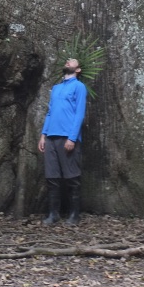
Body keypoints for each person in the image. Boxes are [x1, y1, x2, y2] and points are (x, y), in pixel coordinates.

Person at [38, 57, 87, 225]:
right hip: (51, 136)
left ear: (78, 70)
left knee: (72, 177)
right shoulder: (56, 88)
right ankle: (53, 214)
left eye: (72, 61)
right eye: (67, 60)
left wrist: (72, 138)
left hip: (67, 137)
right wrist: (43, 135)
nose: (68, 61)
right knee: (52, 177)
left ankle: (74, 215)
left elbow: (79, 113)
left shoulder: (79, 87)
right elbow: (50, 113)